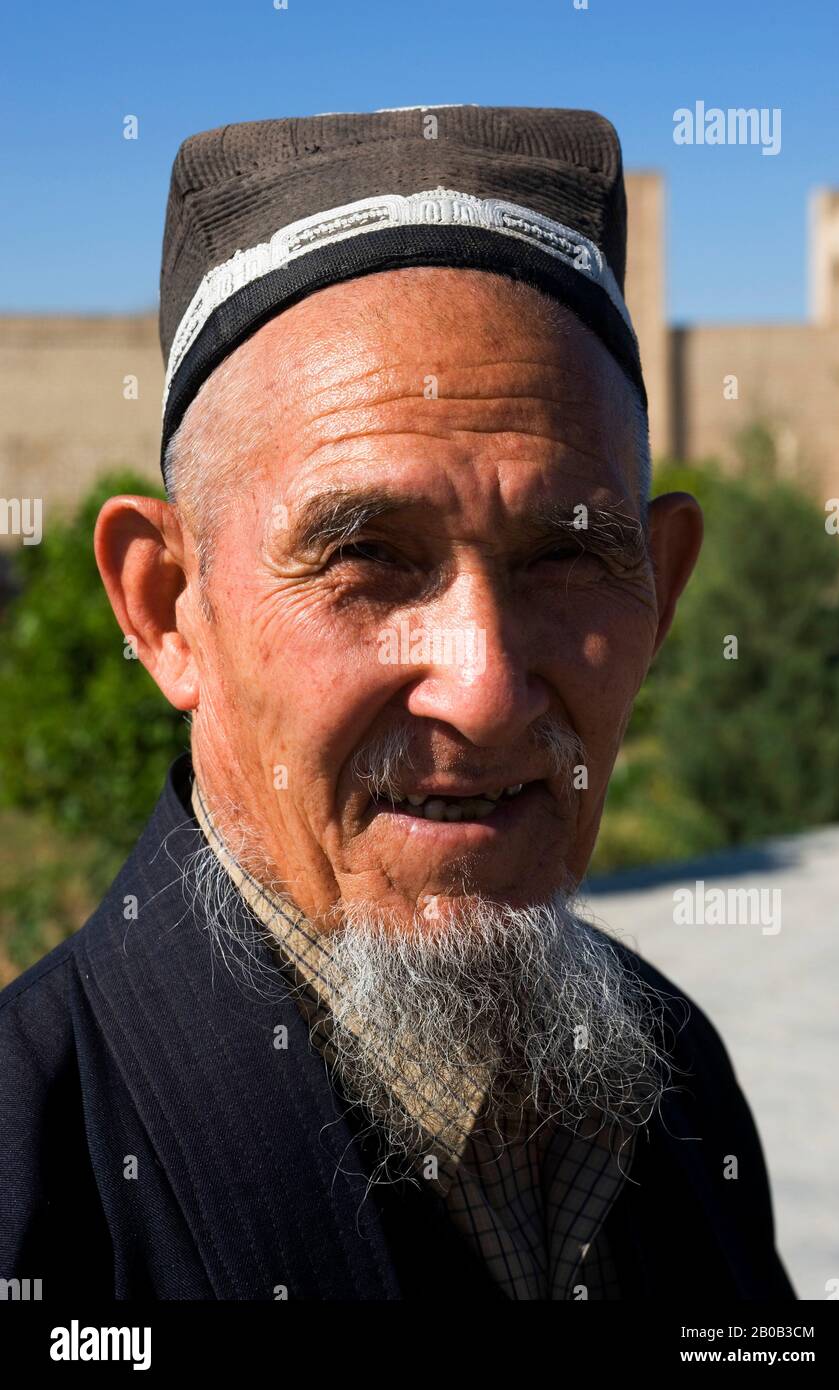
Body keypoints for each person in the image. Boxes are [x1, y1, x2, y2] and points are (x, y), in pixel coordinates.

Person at [0, 105, 795, 1301]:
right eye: (366, 555)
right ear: (168, 610)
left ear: (663, 592)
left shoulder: (675, 1078)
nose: (484, 690)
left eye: (568, 556)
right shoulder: (32, 1172)